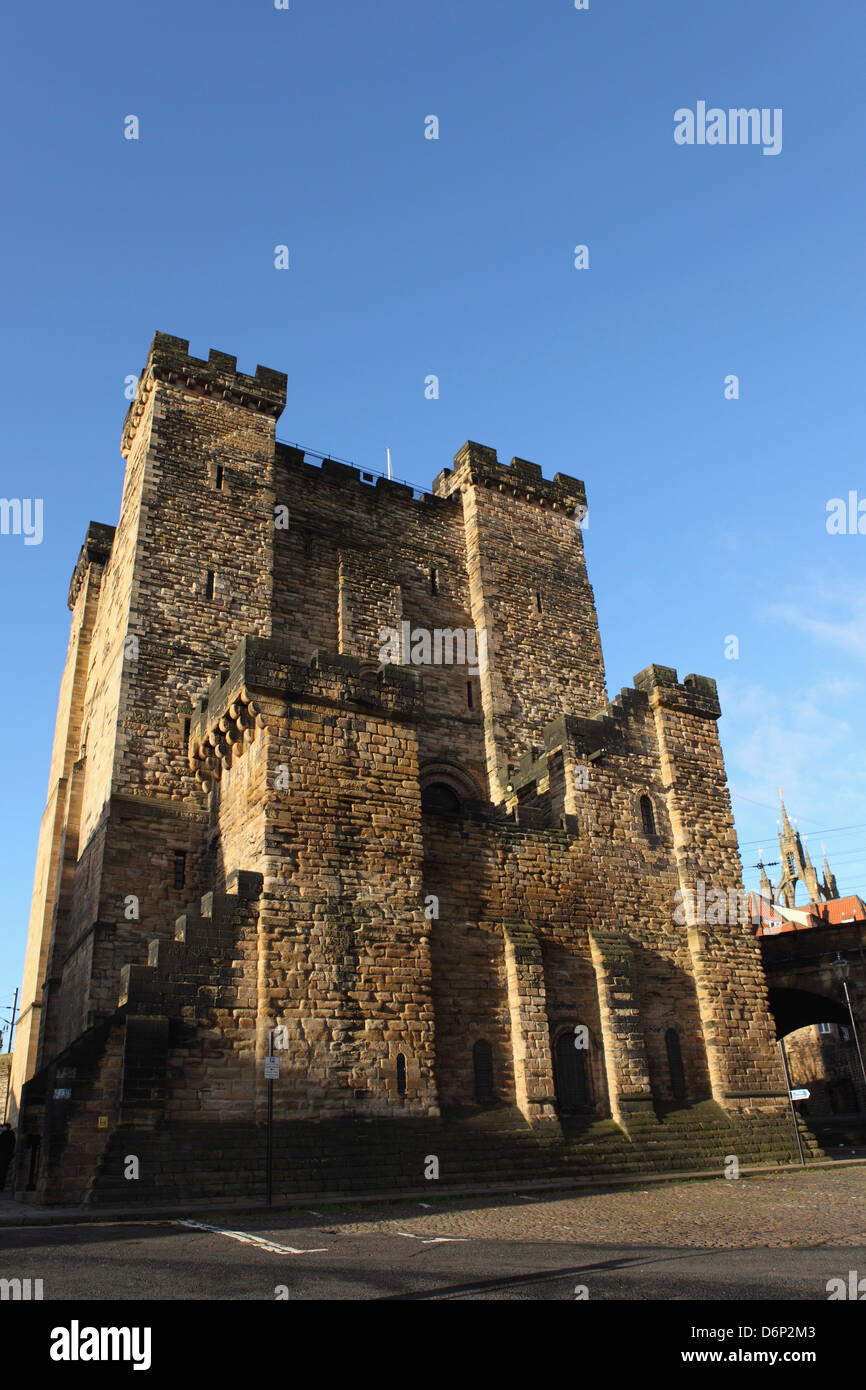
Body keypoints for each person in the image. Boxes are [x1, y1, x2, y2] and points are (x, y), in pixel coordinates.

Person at [0, 1122, 15, 1192]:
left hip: (3, 1156)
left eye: (3, 1127)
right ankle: (1, 1186)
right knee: (4, 1171)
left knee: (2, 1171)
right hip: (7, 1156)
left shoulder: (5, 1135)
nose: (2, 1128)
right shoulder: (11, 1135)